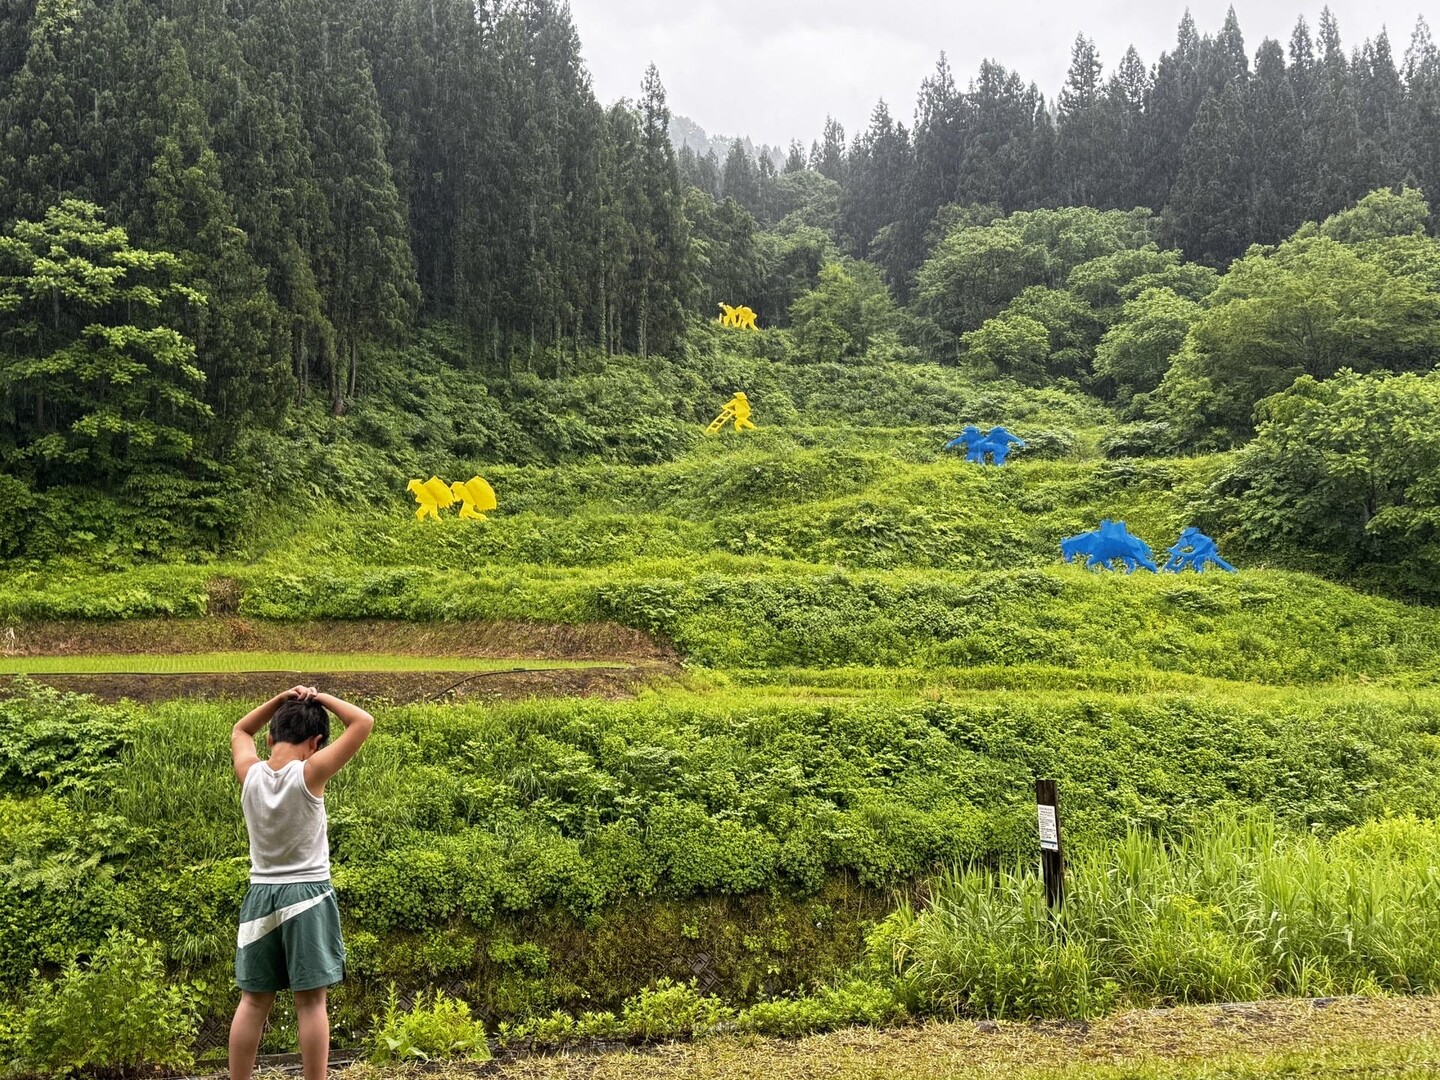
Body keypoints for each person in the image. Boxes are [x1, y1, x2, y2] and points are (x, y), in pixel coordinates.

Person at [228, 686, 374, 1080]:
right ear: (316, 743)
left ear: (271, 737)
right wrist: (322, 698)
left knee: (254, 1002)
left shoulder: (250, 774)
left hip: (260, 894)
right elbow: (363, 722)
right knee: (310, 1004)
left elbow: (240, 732)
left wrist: (278, 700)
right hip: (307, 894)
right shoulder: (311, 773)